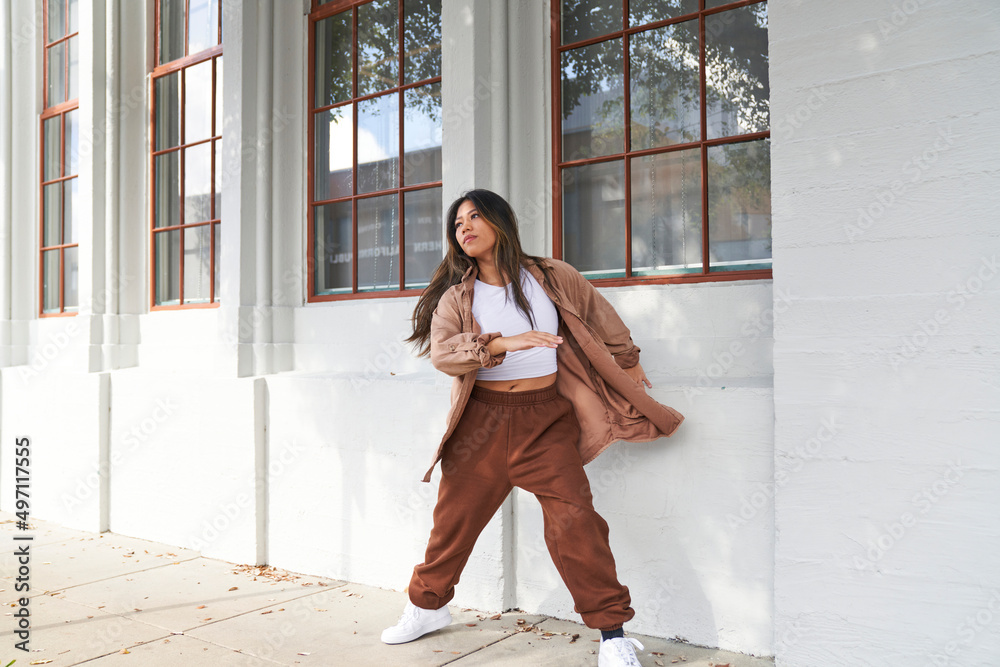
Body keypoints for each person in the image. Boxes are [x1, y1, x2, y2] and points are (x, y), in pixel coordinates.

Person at [382, 189, 685, 666]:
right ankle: (425, 607)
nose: (464, 227)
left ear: (501, 221)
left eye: (475, 216)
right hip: (479, 422)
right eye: (457, 222)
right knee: (452, 527)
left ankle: (612, 634)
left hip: (545, 420)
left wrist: (628, 365)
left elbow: (603, 319)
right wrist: (504, 343)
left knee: (576, 523)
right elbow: (444, 354)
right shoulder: (457, 296)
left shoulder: (551, 276)